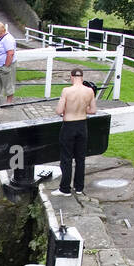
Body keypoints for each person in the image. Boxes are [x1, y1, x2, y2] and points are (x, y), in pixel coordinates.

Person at [52, 68, 97, 197]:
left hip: (69, 125)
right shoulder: (89, 91)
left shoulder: (66, 91)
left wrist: (68, 109)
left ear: (71, 77)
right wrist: (82, 109)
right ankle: (79, 187)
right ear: (82, 77)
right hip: (82, 125)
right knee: (80, 158)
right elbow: (93, 110)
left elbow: (59, 110)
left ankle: (65, 188)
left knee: (66, 158)